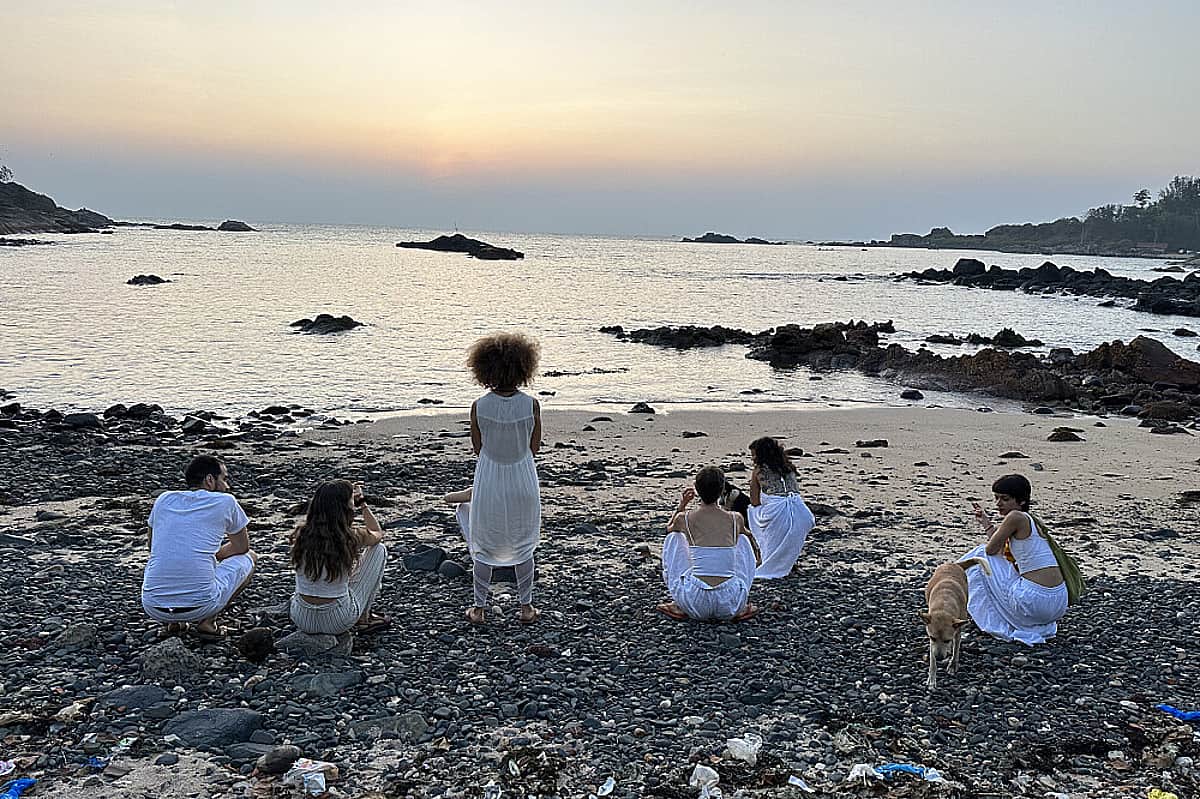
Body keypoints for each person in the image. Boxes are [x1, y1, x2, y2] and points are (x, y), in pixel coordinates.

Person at [453, 332, 542, 625]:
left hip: (490, 476)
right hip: (522, 475)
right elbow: (534, 447)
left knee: (485, 540)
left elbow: (478, 448)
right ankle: (526, 607)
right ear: (523, 368)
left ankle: (478, 608)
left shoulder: (479, 406)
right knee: (523, 539)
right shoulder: (531, 405)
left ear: (485, 369)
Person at [141, 455, 256, 639]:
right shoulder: (225, 501)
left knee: (171, 558)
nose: (227, 486)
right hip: (202, 604)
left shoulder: (163, 499)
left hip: (153, 605)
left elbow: (152, 546)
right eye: (224, 479)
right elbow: (241, 547)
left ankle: (174, 623)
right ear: (210, 480)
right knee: (250, 557)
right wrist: (215, 555)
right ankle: (208, 622)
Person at [958, 474, 1067, 645]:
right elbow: (1000, 548)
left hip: (1035, 601)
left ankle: (952, 593)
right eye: (996, 498)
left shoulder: (1015, 517)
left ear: (1021, 501)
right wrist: (986, 523)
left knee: (979, 556)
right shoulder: (1032, 521)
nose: (998, 504)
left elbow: (991, 550)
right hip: (1058, 602)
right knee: (987, 561)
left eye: (1005, 499)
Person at [657, 466, 762, 622]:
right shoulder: (735, 518)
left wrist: (683, 504)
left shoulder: (685, 518)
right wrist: (758, 557)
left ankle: (678, 604)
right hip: (730, 601)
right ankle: (741, 606)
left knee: (674, 536)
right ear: (721, 491)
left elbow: (669, 528)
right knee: (743, 538)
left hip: (694, 602)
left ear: (698, 491)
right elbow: (750, 538)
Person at [290, 480, 391, 635]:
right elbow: (377, 533)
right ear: (346, 507)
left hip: (302, 619)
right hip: (338, 620)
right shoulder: (351, 536)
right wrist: (363, 503)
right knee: (379, 550)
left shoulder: (301, 535)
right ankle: (363, 618)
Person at [747, 436, 815, 579]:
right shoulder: (788, 466)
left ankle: (767, 557)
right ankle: (790, 560)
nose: (752, 459)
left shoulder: (759, 470)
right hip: (802, 512)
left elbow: (754, 500)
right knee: (784, 520)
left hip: (779, 511)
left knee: (753, 512)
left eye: (754, 455)